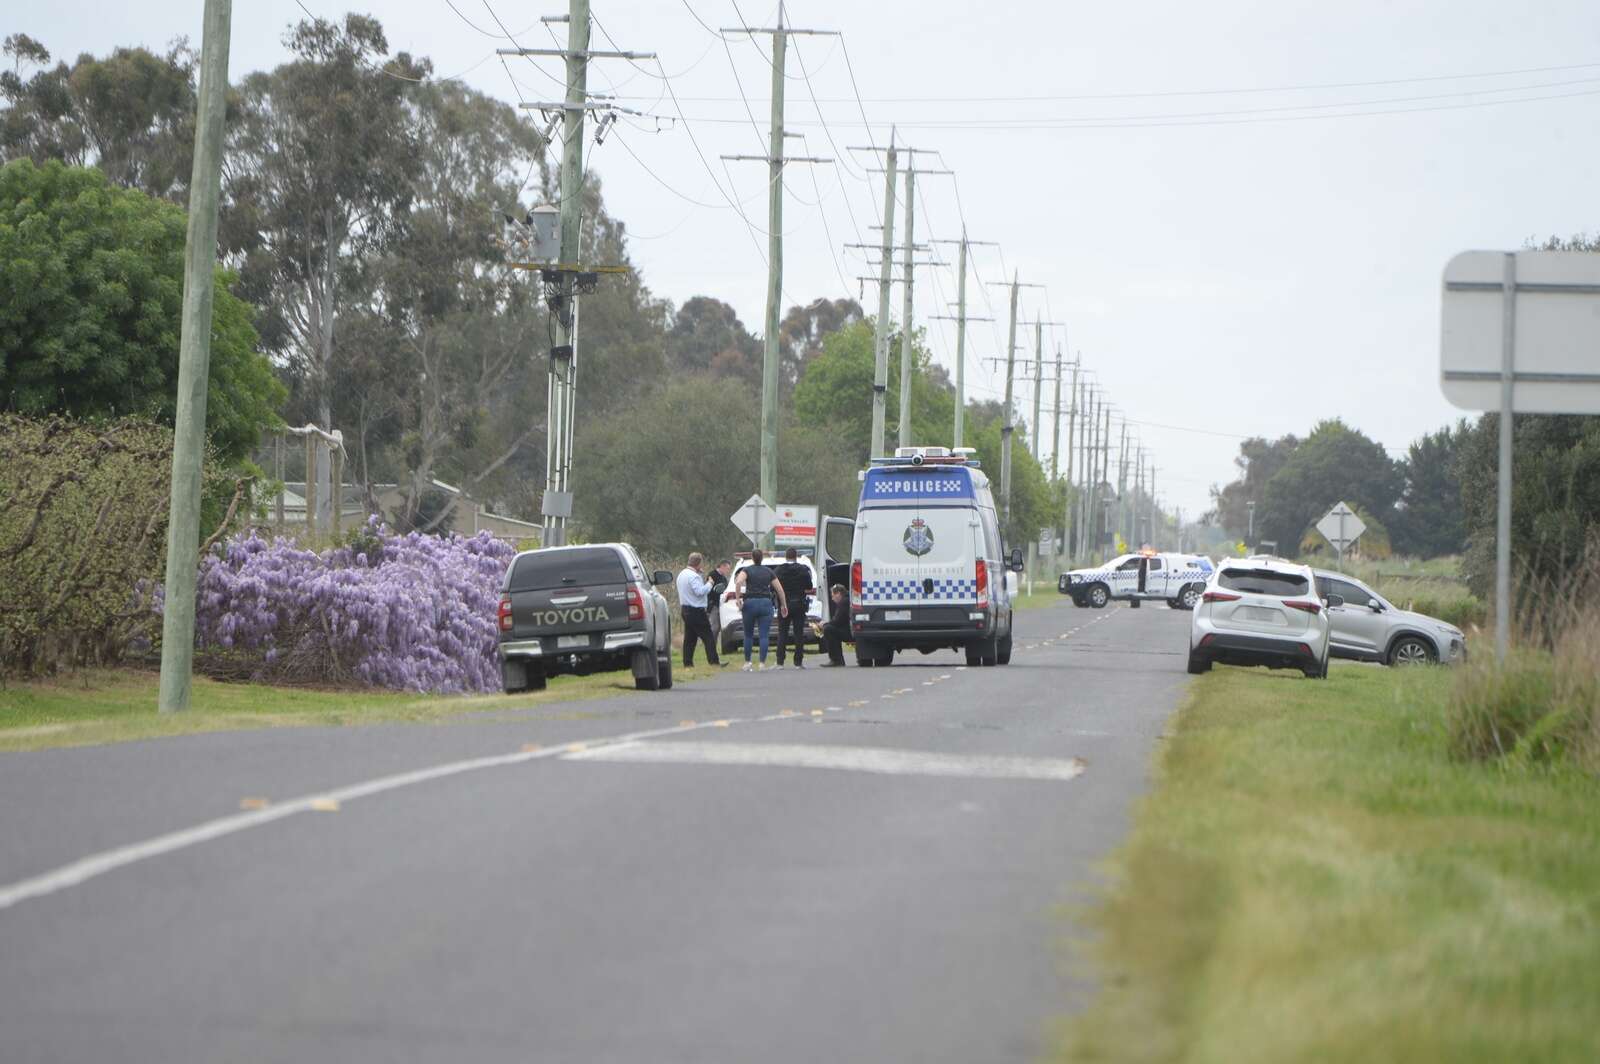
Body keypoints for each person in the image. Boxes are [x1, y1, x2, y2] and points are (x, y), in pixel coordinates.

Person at [735, 549, 787, 671]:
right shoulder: (769, 571)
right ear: (762, 558)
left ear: (752, 558)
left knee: (748, 634)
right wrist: (783, 605)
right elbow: (779, 590)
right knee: (764, 635)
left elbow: (738, 582)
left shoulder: (747, 570)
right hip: (765, 603)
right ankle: (762, 663)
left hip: (750, 603)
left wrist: (738, 599)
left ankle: (748, 662)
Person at [675, 552, 722, 669]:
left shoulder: (682, 574)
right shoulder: (694, 576)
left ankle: (688, 663)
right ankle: (714, 662)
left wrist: (699, 575)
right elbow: (700, 591)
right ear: (698, 563)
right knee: (708, 637)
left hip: (685, 609)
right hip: (696, 611)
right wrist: (710, 583)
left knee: (690, 639)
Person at [772, 547, 816, 669]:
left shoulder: (779, 570)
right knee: (799, 633)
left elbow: (773, 587)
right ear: (796, 556)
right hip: (799, 604)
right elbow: (809, 586)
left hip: (784, 605)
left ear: (786, 556)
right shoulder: (802, 569)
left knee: (782, 633)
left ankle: (780, 662)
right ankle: (798, 662)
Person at [817, 583, 851, 667]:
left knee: (828, 629)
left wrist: (825, 624)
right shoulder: (847, 599)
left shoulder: (843, 602)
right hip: (850, 629)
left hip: (849, 632)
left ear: (838, 594)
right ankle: (838, 659)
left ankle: (836, 659)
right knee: (830, 628)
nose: (832, 599)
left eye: (832, 595)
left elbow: (837, 621)